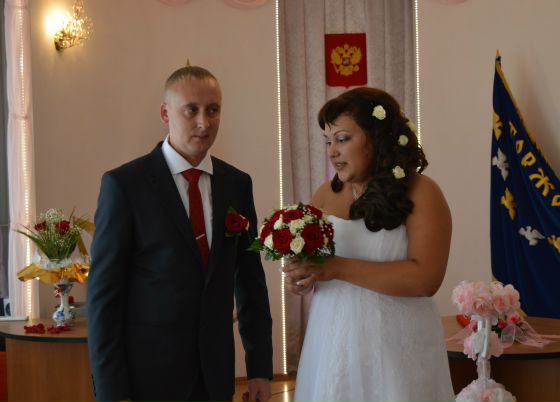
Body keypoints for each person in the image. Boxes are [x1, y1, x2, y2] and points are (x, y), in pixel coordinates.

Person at [87, 65, 273, 402]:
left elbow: (250, 282)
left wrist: (259, 367)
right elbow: (104, 298)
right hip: (147, 378)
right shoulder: (125, 185)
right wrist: (112, 392)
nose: (204, 122)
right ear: (165, 113)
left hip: (215, 377)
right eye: (191, 110)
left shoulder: (236, 184)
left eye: (213, 110)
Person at [283, 87, 455, 401]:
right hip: (333, 344)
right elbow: (317, 267)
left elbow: (426, 279)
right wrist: (302, 276)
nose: (332, 152)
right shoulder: (323, 195)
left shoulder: (422, 192)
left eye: (342, 139)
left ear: (376, 138)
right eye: (328, 141)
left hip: (397, 349)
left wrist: (337, 268)